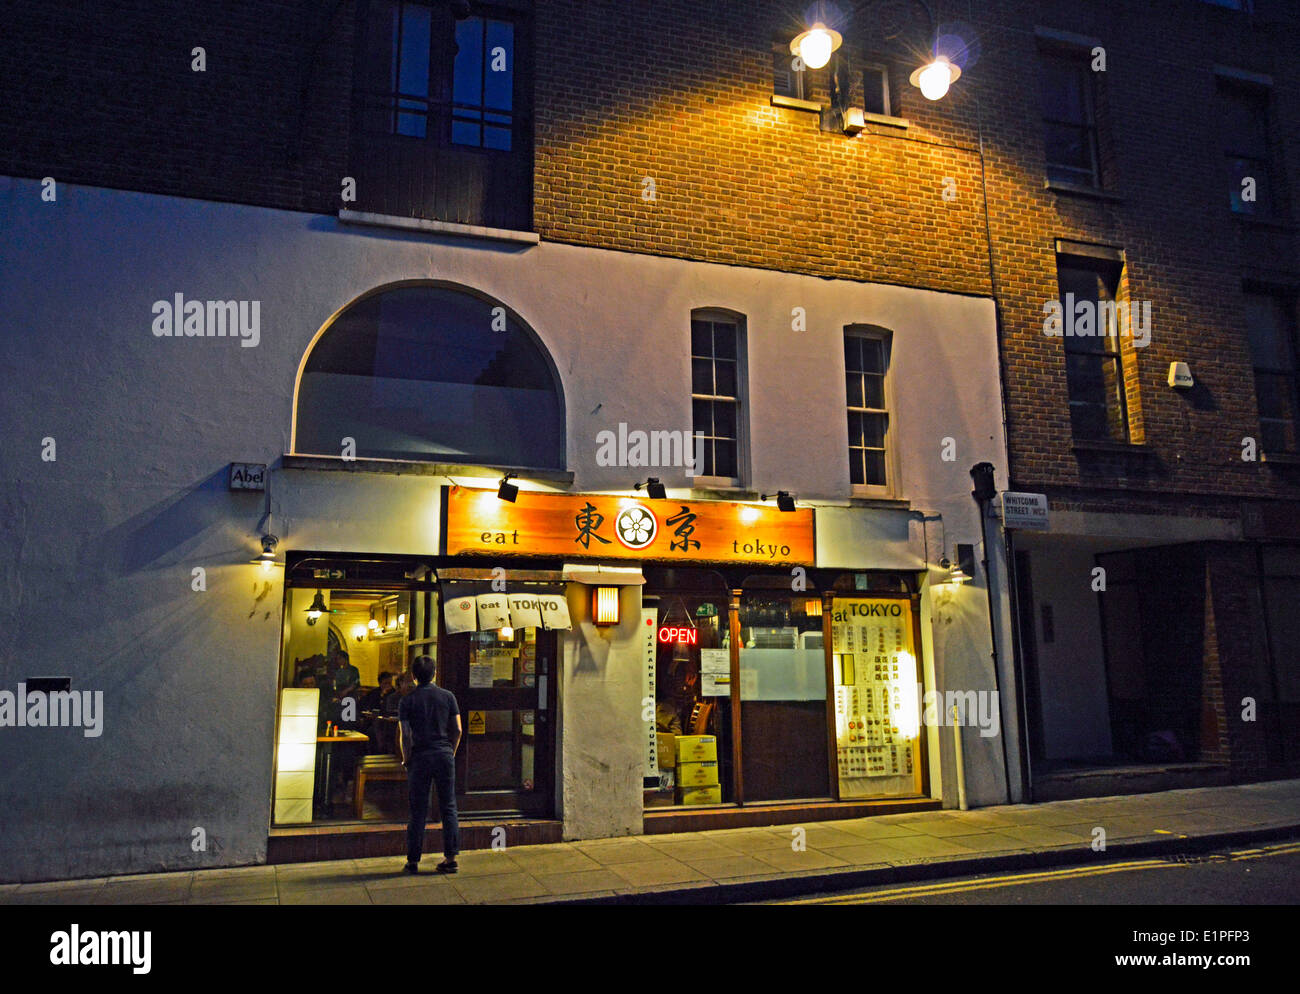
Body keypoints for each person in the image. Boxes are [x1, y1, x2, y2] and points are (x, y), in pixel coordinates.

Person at [398, 655, 461, 874]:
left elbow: (405, 735)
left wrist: (406, 758)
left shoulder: (407, 700)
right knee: (448, 806)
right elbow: (458, 730)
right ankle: (451, 858)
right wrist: (450, 752)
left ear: (414, 676)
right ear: (434, 673)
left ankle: (413, 860)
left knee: (417, 810)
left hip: (420, 757)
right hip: (444, 754)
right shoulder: (448, 696)